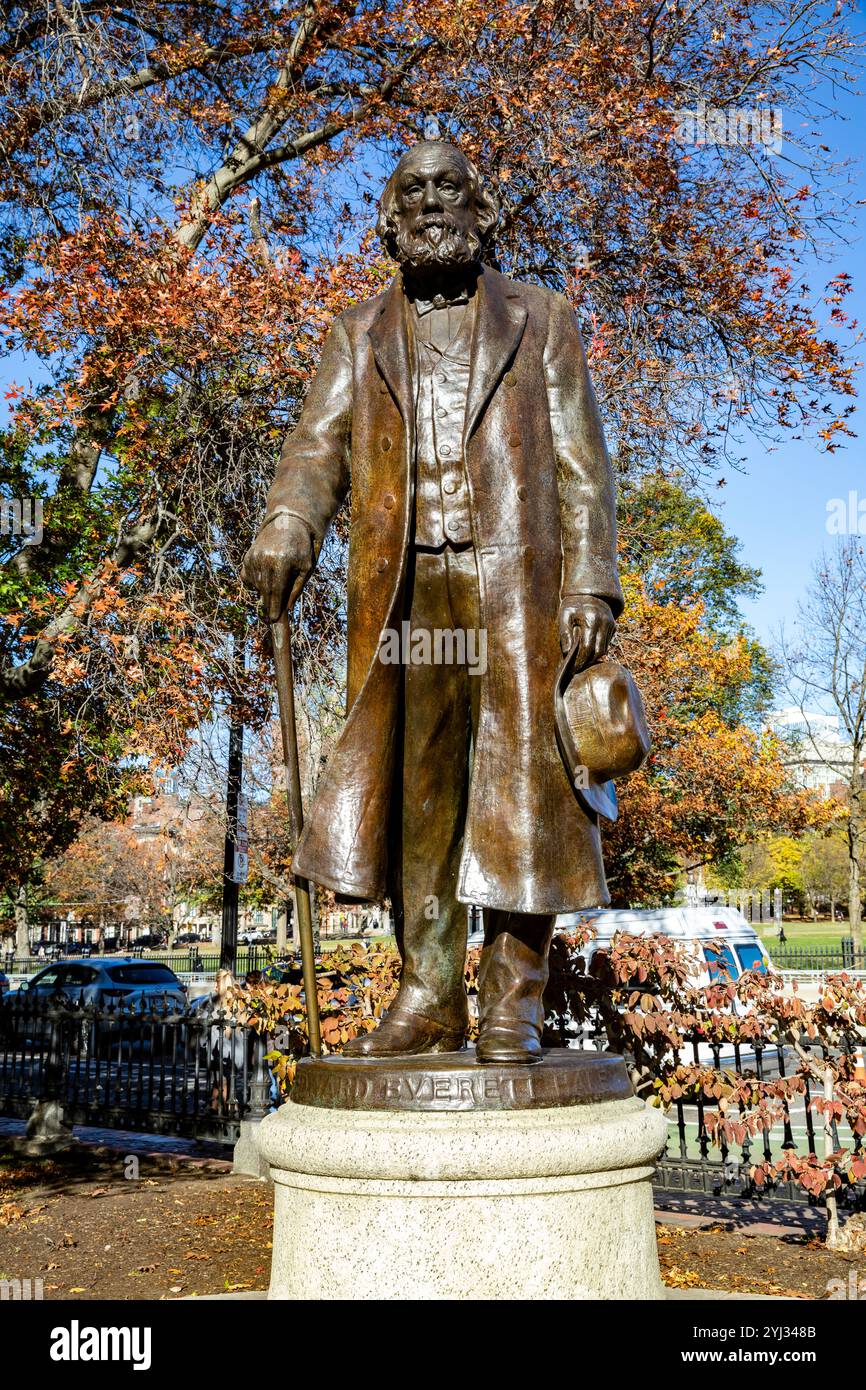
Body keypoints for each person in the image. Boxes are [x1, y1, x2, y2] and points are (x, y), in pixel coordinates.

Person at [242, 141, 625, 1063]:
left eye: (448, 186)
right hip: (408, 593)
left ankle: (513, 999)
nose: (429, 204)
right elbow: (314, 448)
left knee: (525, 789)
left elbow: (583, 462)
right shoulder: (359, 329)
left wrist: (591, 580)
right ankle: (427, 990)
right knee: (422, 797)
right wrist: (288, 525)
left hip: (521, 594)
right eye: (409, 192)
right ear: (389, 219)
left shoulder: (542, 318)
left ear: (481, 208)